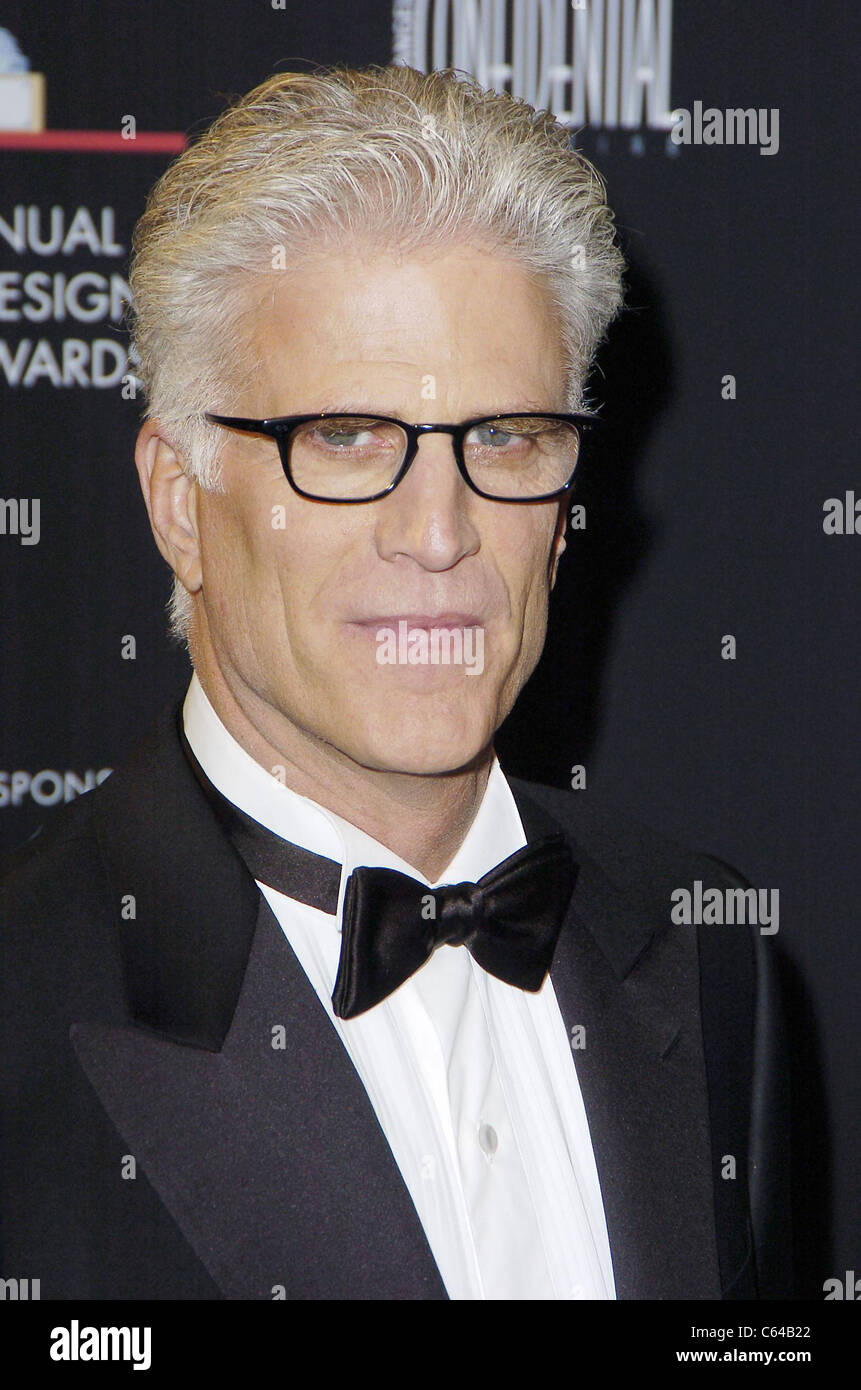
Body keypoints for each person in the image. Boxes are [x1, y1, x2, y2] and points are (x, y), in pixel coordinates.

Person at [0, 63, 790, 1300]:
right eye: (347, 439)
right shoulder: (24, 1001)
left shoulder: (700, 944)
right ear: (180, 505)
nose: (441, 531)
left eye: (507, 438)